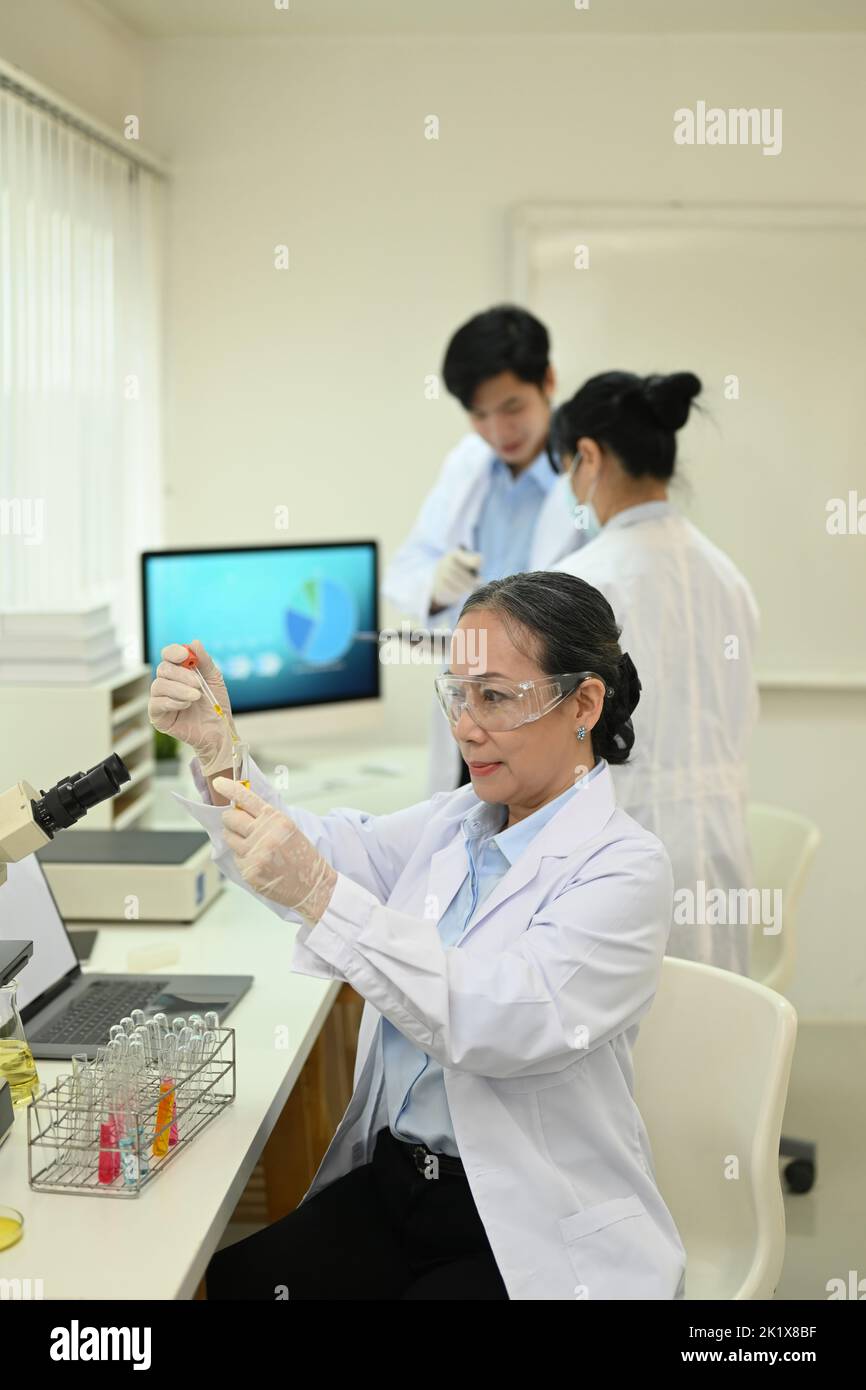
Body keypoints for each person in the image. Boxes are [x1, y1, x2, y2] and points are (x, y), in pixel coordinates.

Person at [148, 574, 686, 1302]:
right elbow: (334, 851)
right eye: (457, 694)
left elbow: (498, 1019)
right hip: (403, 1183)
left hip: (524, 1220)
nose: (466, 726)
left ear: (582, 703)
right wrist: (222, 759)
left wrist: (320, 894)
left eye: (494, 696)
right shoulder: (459, 820)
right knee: (242, 1283)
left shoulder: (625, 869)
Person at [551, 370, 760, 974]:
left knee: (630, 1050)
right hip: (719, 850)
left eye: (568, 467)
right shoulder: (729, 577)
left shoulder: (585, 581)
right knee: (721, 1037)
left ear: (587, 457)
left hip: (620, 852)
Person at [383, 305, 583, 793]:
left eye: (512, 408)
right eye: (479, 415)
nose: (498, 431)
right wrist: (437, 585)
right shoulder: (468, 465)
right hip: (468, 705)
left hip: (541, 707)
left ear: (549, 381)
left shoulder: (584, 473)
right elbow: (408, 566)